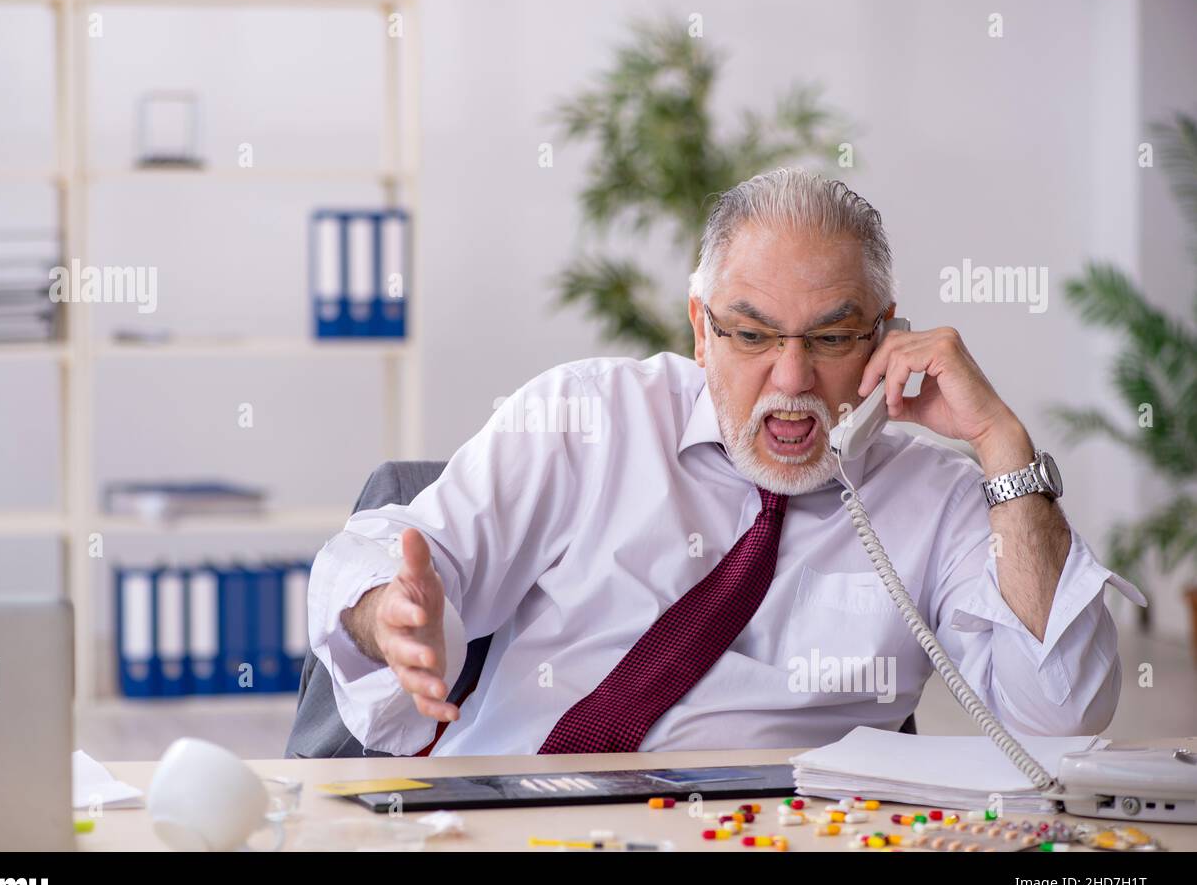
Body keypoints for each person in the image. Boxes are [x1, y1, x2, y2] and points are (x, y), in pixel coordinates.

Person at [307, 167, 1144, 756]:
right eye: (750, 334)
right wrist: (385, 613)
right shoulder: (587, 417)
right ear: (700, 328)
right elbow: (393, 552)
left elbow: (1060, 718)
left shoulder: (938, 502)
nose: (791, 377)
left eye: (830, 337)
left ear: (886, 334)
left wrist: (1003, 441)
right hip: (511, 822)